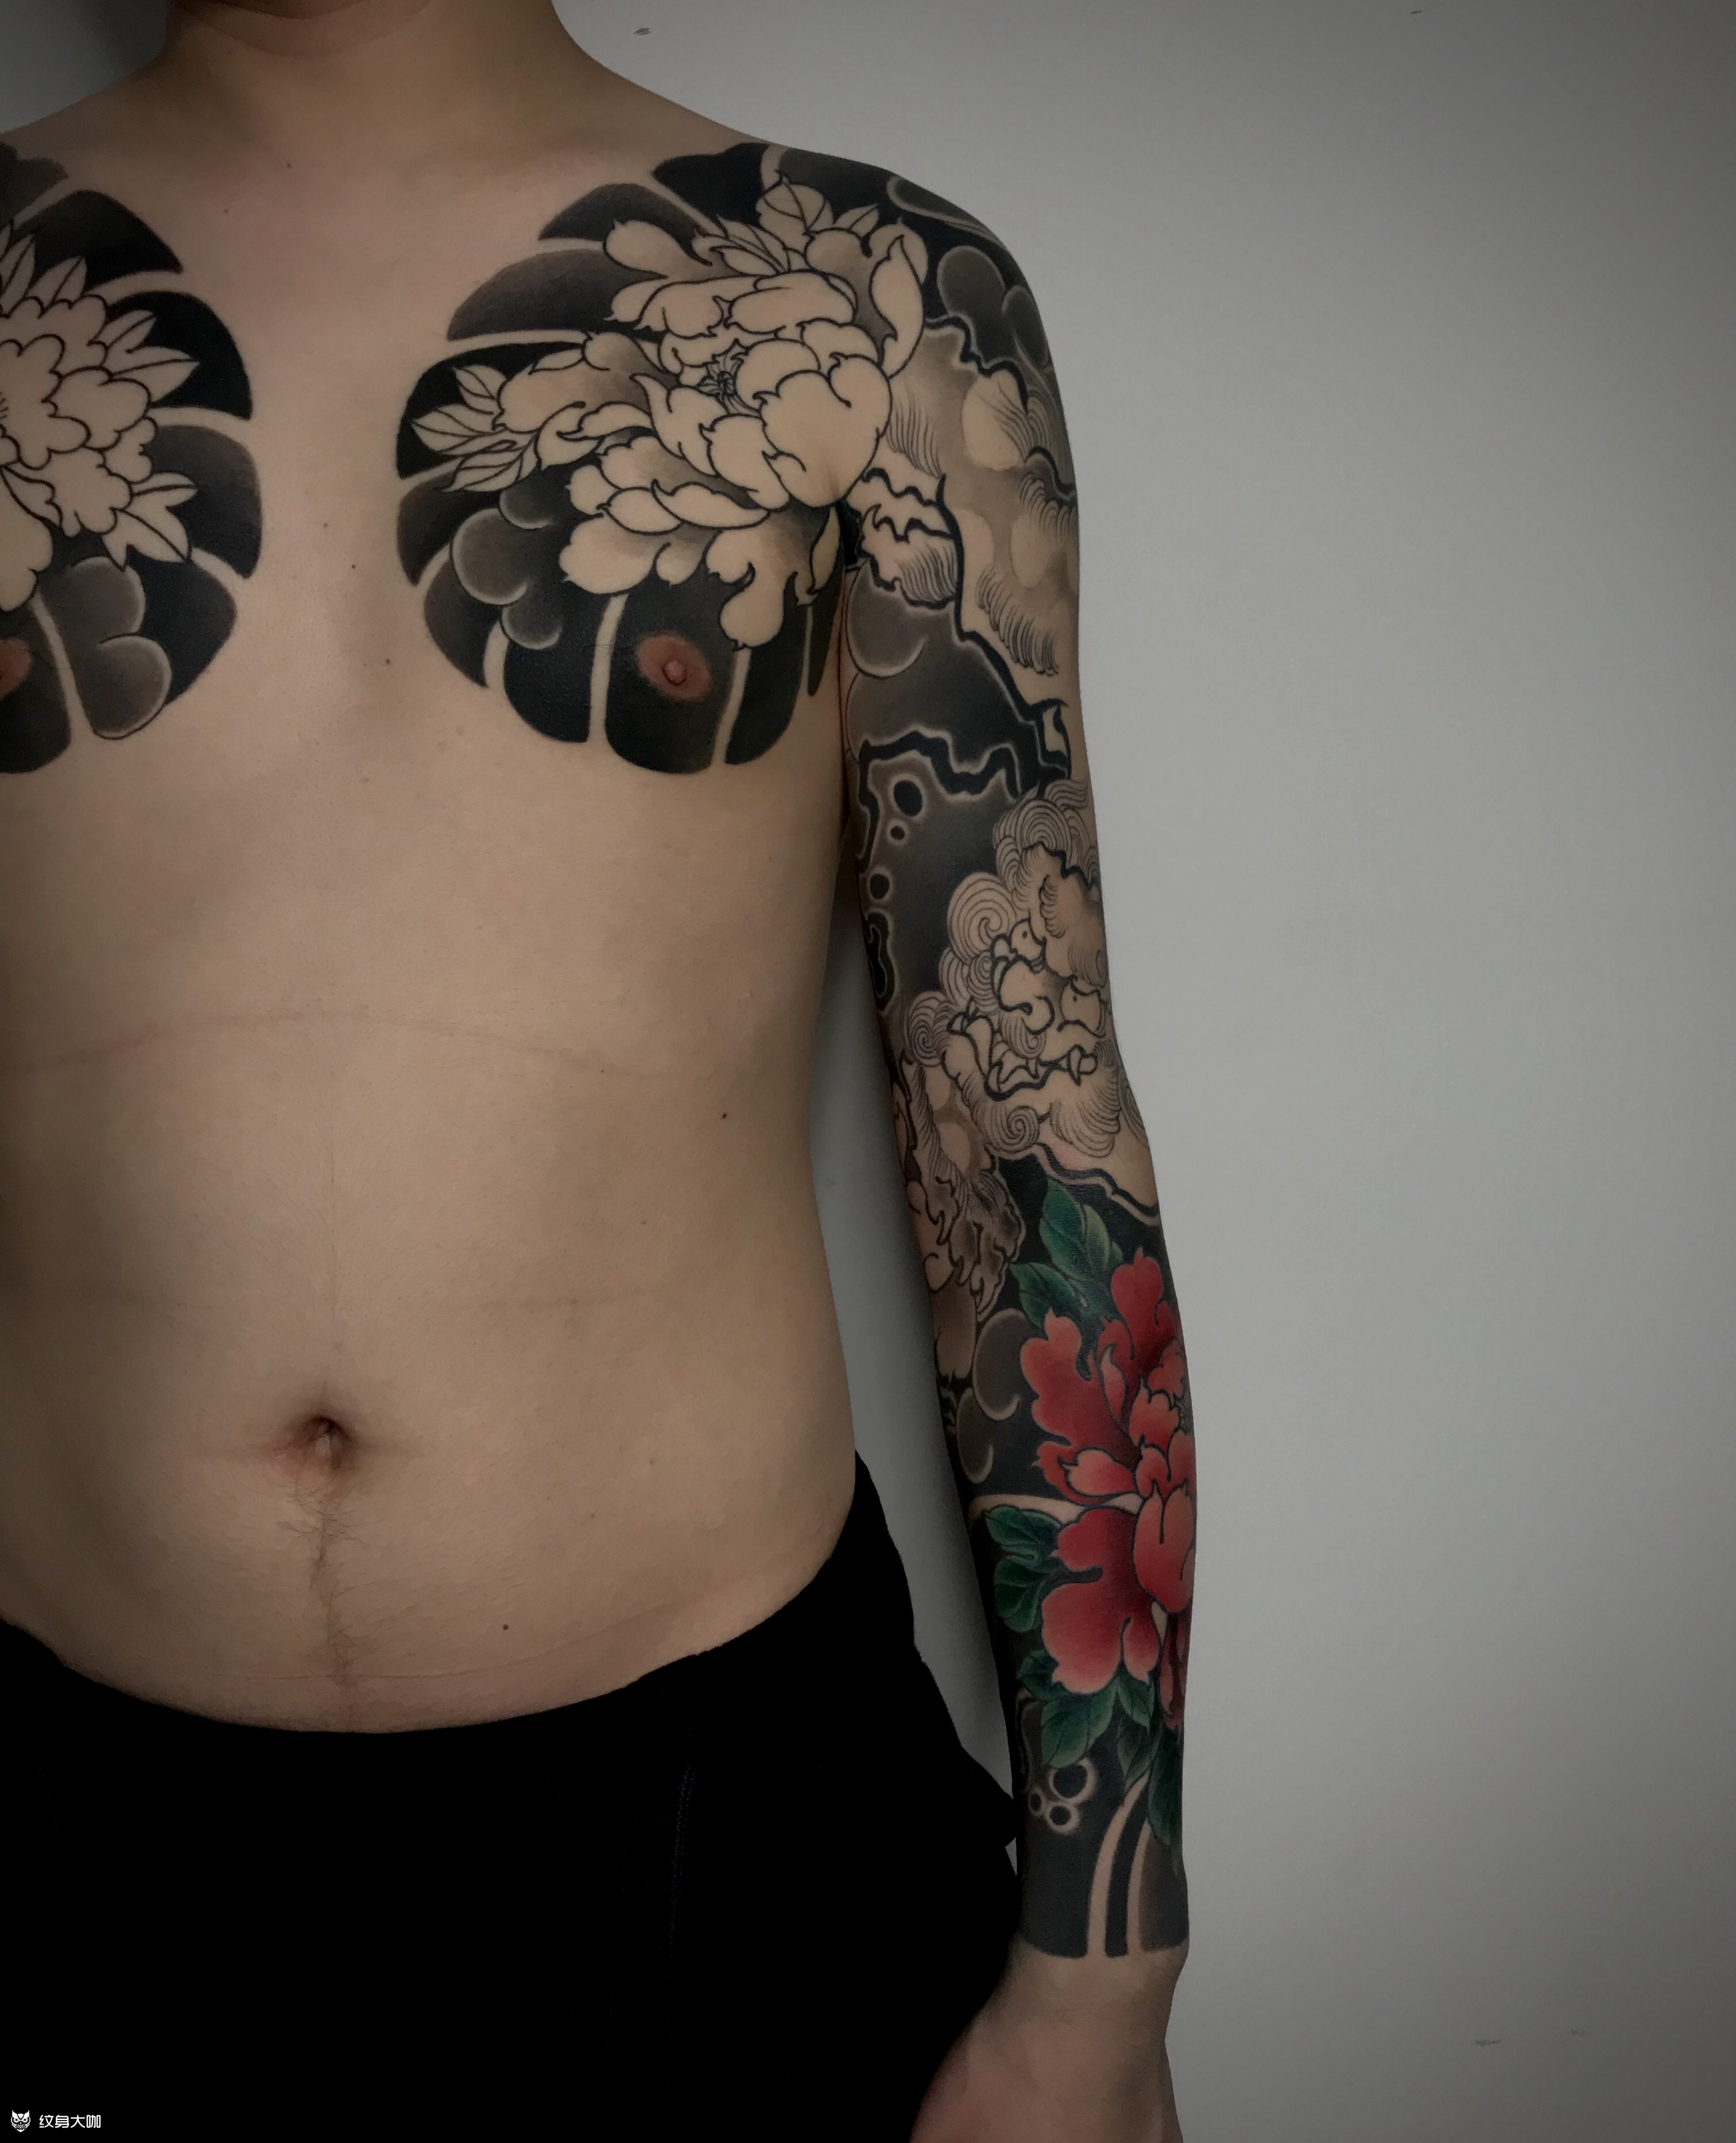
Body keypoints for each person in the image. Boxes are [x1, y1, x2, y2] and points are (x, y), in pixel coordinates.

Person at [0, 2, 1193, 2134]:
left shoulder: (875, 303)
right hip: (56, 1795)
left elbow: (1020, 1120)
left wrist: (1101, 1973)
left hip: (714, 1809)